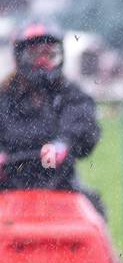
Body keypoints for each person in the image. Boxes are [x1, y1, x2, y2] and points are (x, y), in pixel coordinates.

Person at [0, 22, 100, 206]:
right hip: (7, 189)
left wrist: (64, 143)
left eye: (49, 54)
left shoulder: (69, 94)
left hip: (60, 187)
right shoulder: (4, 97)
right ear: (20, 57)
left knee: (95, 209)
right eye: (35, 55)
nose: (43, 62)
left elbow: (84, 124)